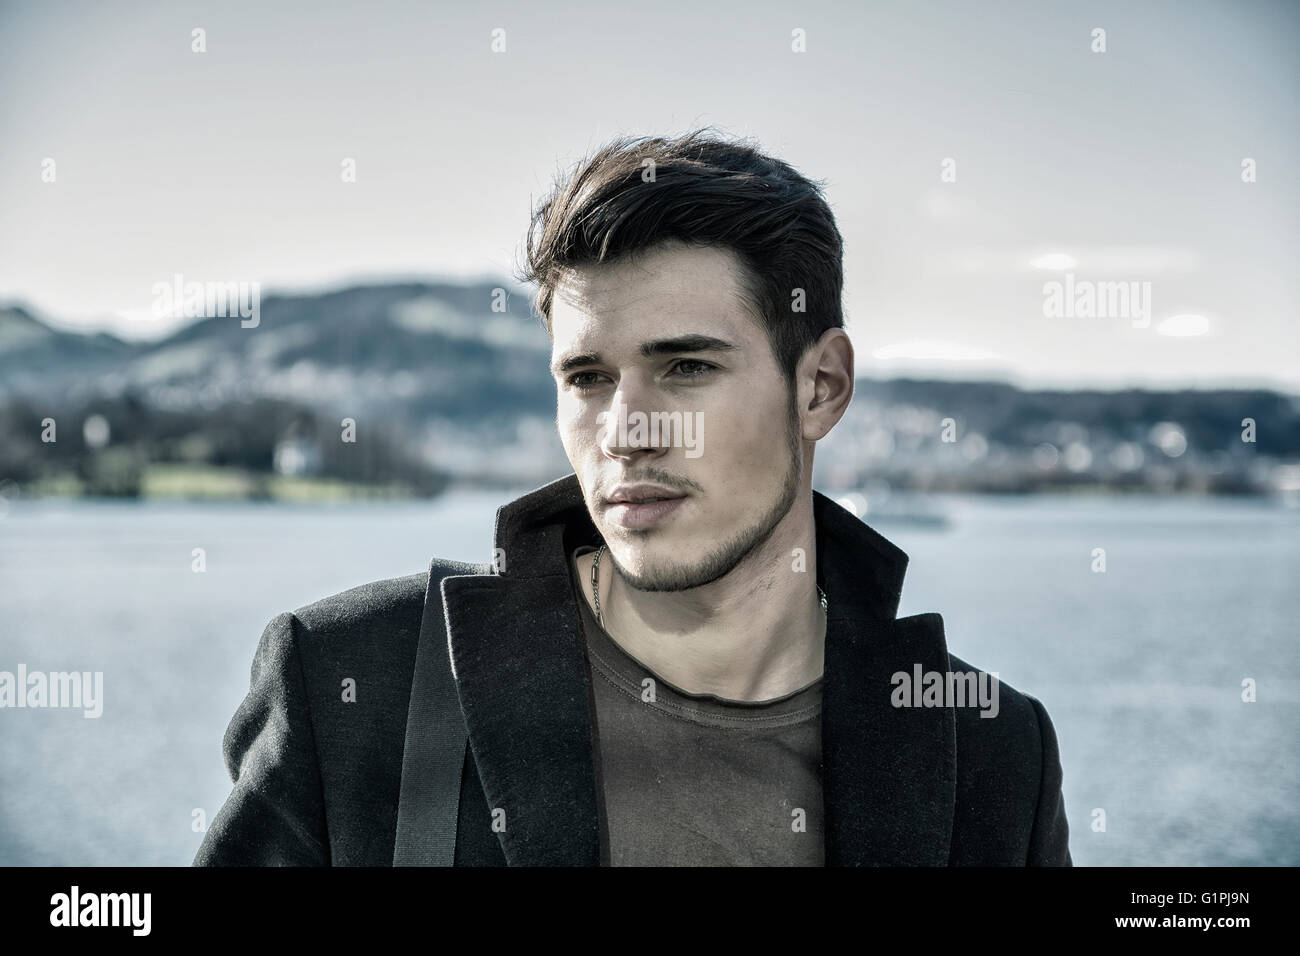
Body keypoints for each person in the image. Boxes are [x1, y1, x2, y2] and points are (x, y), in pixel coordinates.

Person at [194, 129, 1071, 866]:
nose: (625, 429)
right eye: (586, 377)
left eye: (685, 367)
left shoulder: (993, 754)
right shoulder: (350, 676)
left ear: (821, 387)